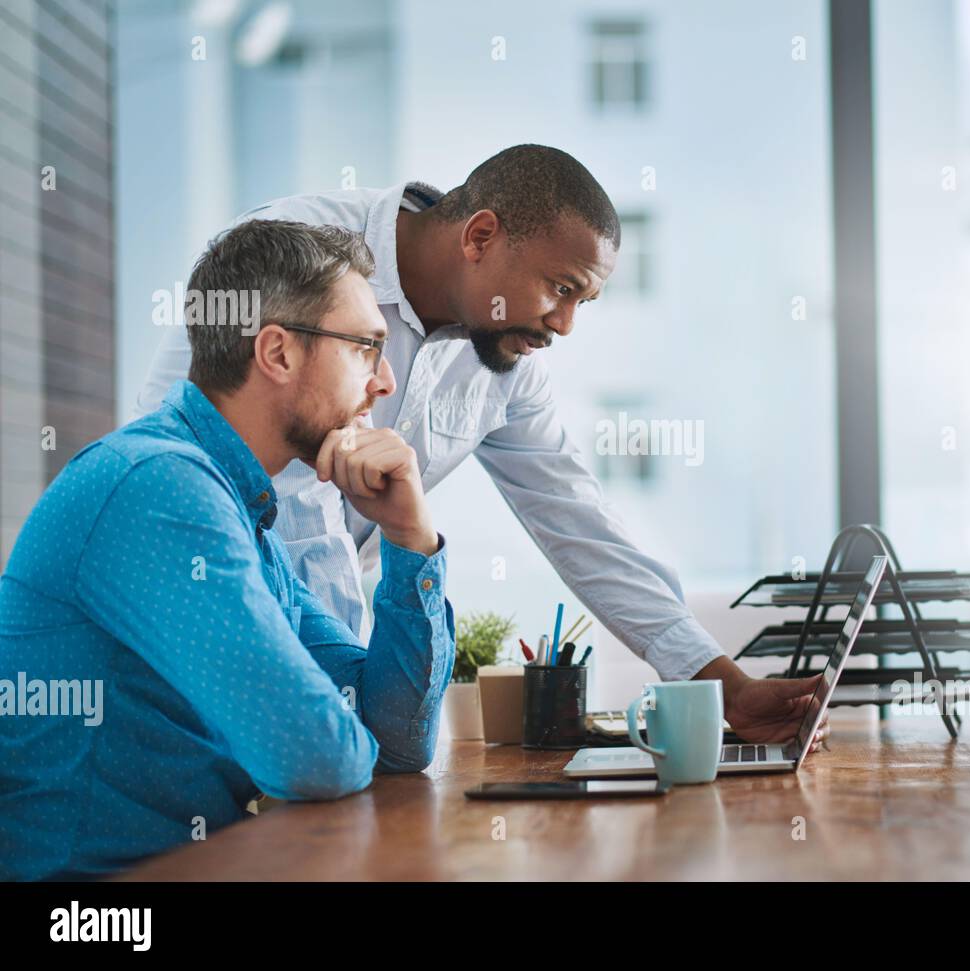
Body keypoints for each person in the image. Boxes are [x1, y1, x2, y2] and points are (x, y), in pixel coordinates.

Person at [134, 144, 829, 746]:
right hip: (200, 643)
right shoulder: (293, 258)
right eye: (560, 289)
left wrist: (721, 683)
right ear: (480, 237)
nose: (563, 325)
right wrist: (343, 714)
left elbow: (580, 520)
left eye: (582, 302)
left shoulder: (507, 362)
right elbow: (181, 460)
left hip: (311, 681)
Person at [0, 220, 452, 880]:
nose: (384, 381)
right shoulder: (160, 486)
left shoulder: (239, 511)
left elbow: (396, 741)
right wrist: (325, 726)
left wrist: (410, 539)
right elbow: (316, 757)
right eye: (365, 347)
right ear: (278, 353)